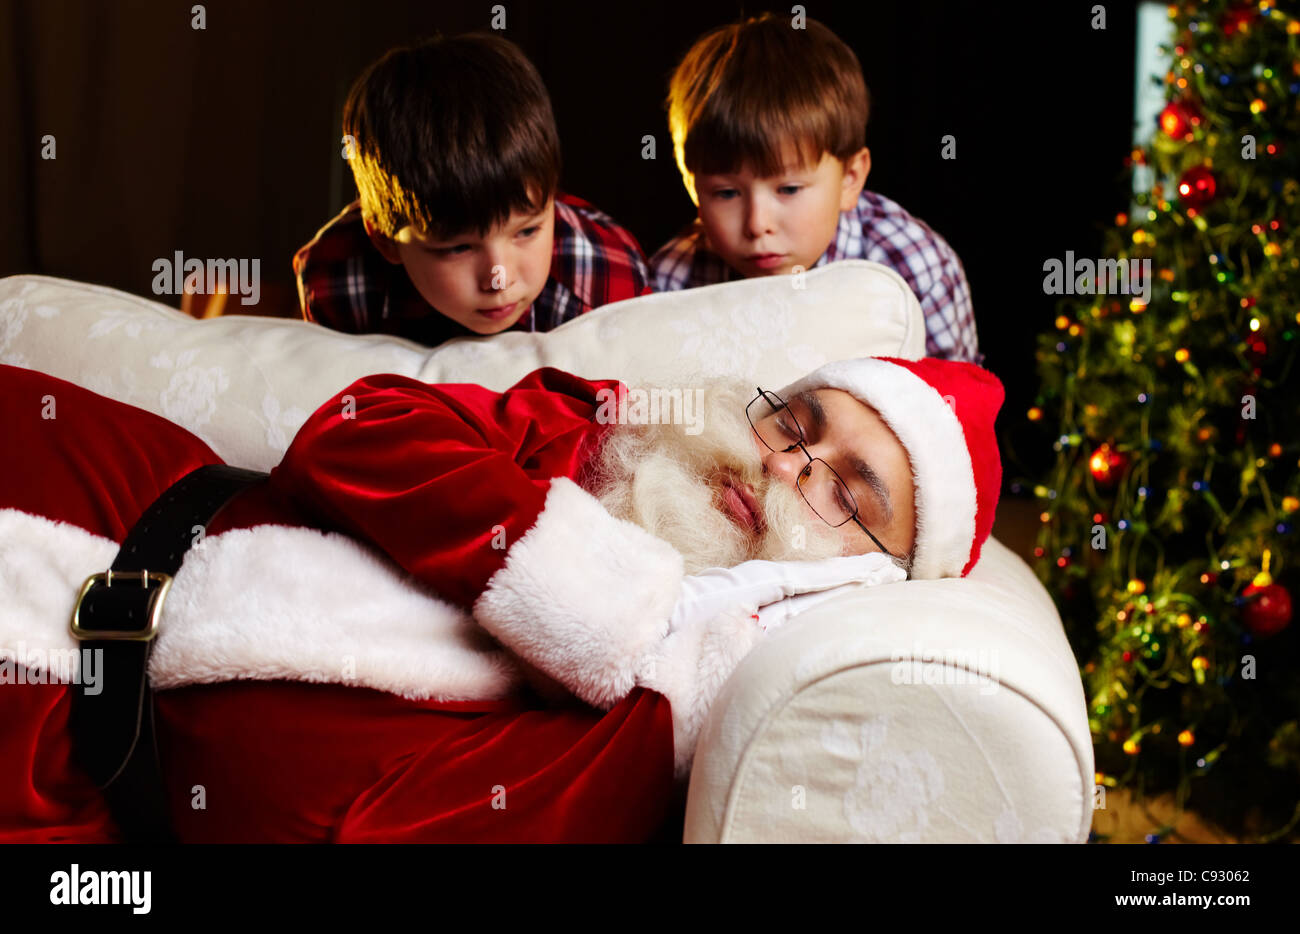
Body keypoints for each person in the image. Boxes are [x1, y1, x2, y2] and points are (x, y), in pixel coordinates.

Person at [0, 354, 1003, 842]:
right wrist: (578, 588)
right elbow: (354, 425)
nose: (787, 466)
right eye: (797, 423)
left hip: (59, 770)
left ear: (856, 581)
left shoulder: (677, 716)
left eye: (843, 491)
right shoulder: (597, 435)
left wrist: (675, 669)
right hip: (88, 481)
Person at [649, 14, 981, 363]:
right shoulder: (673, 282)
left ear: (850, 179)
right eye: (727, 193)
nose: (757, 224)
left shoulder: (916, 267)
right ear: (693, 187)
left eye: (789, 189)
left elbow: (959, 407)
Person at [295, 33, 651, 347]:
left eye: (527, 230)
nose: (500, 278)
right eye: (458, 248)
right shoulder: (336, 279)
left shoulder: (608, 284)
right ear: (385, 240)